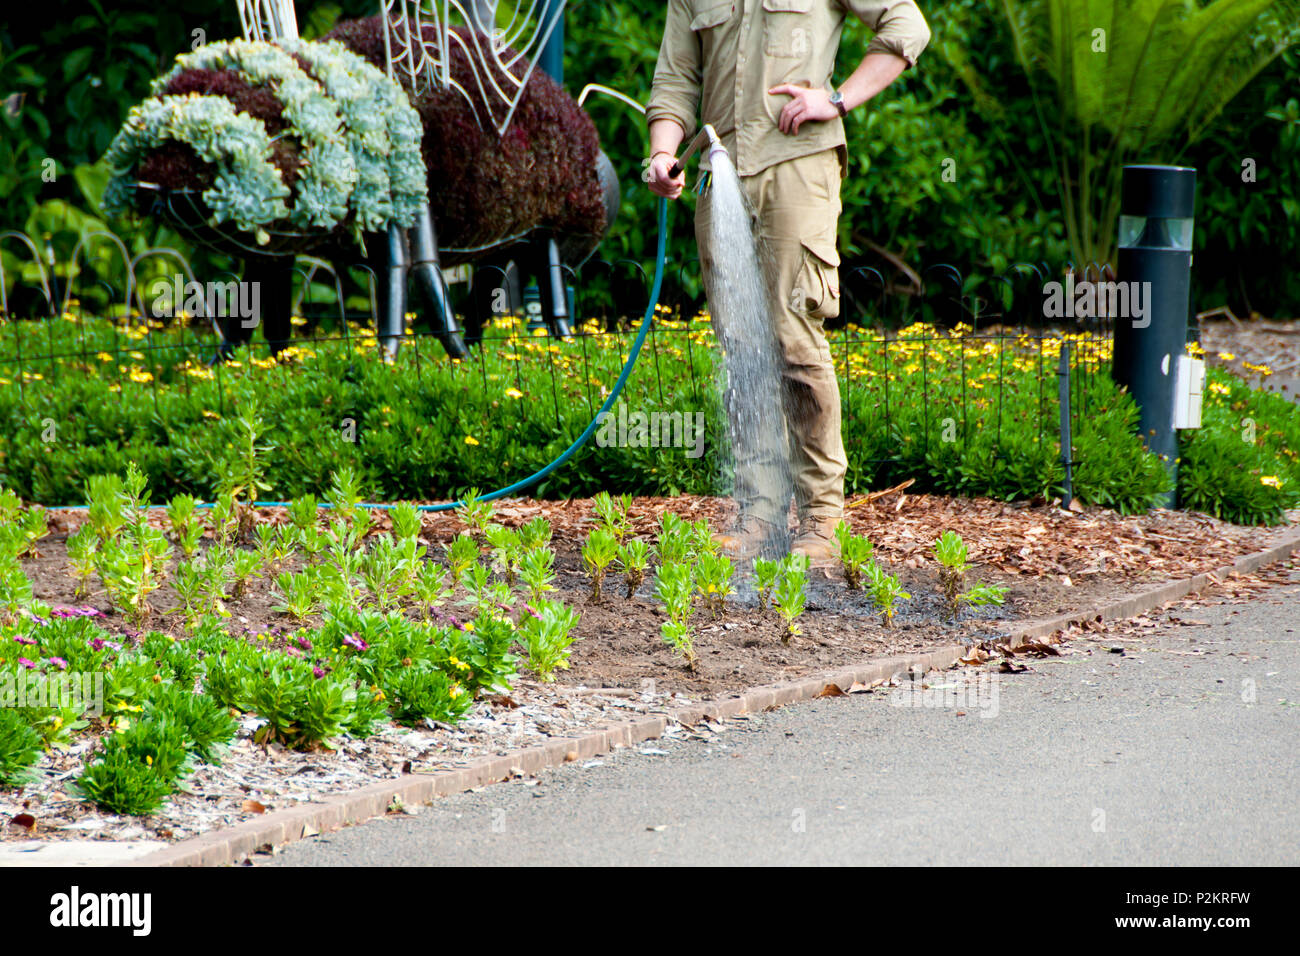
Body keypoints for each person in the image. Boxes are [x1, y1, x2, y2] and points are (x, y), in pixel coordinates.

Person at [646, 0, 930, 564]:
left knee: (794, 339)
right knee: (743, 349)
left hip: (798, 167)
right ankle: (759, 517)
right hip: (720, 173)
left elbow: (908, 27)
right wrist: (661, 152)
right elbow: (675, 80)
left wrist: (836, 99)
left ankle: (823, 522)